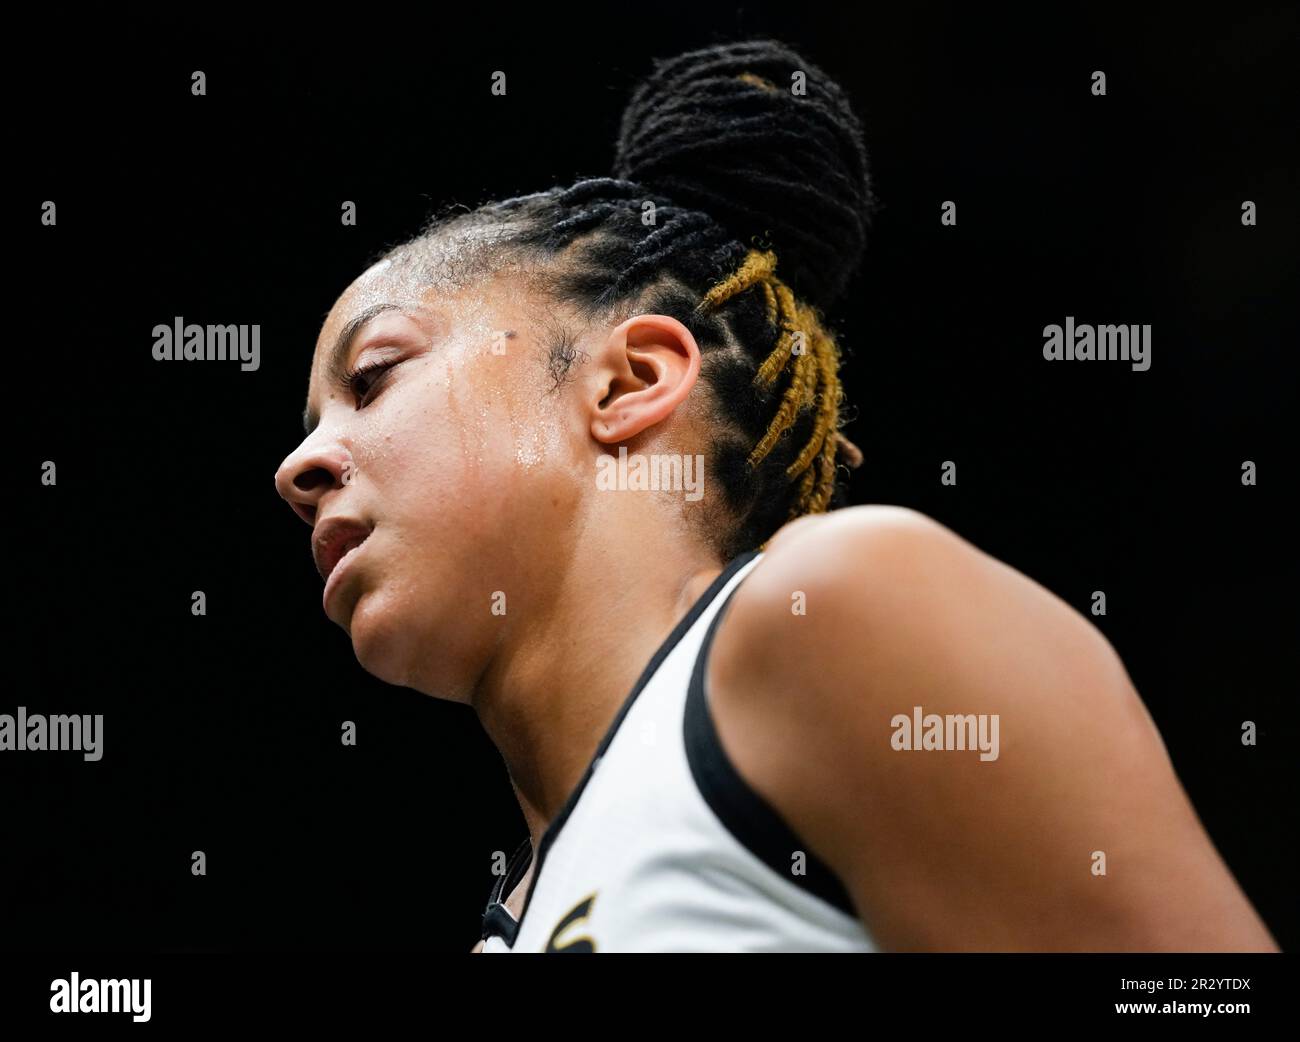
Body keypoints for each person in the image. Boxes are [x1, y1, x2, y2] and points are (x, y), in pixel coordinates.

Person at [273, 39, 1279, 952]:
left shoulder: (840, 607)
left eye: (371, 379)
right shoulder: (509, 924)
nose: (299, 469)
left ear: (628, 384)